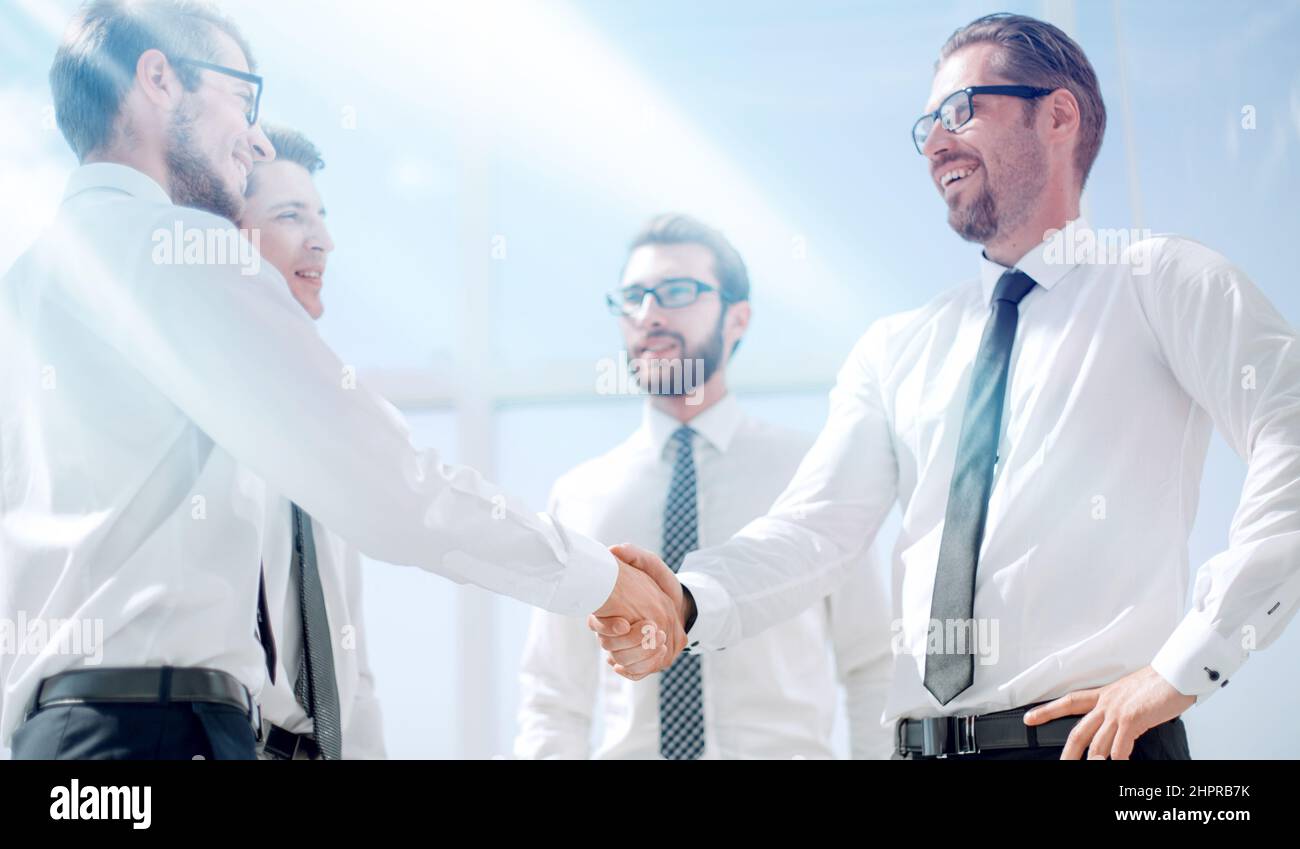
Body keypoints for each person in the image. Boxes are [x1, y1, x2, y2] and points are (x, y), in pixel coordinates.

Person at [595, 13, 1300, 761]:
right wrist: (686, 595)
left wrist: (1186, 665)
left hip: (1093, 748)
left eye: (961, 110)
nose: (935, 141)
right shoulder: (898, 347)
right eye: (926, 123)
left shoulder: (1161, 281)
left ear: (1057, 114)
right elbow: (814, 531)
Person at [0, 0, 678, 760]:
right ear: (158, 78)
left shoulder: (22, 286)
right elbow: (390, 485)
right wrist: (598, 580)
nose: (254, 136)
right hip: (159, 731)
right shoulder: (178, 247)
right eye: (242, 97)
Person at [514, 214, 893, 760]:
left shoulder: (810, 473)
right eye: (633, 297)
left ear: (737, 318)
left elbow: (871, 664)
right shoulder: (581, 493)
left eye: (676, 292)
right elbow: (553, 695)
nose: (649, 315)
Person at [236, 124, 385, 759]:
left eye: (320, 217)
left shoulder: (324, 424)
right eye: (292, 216)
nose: (321, 240)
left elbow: (353, 665)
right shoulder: (193, 410)